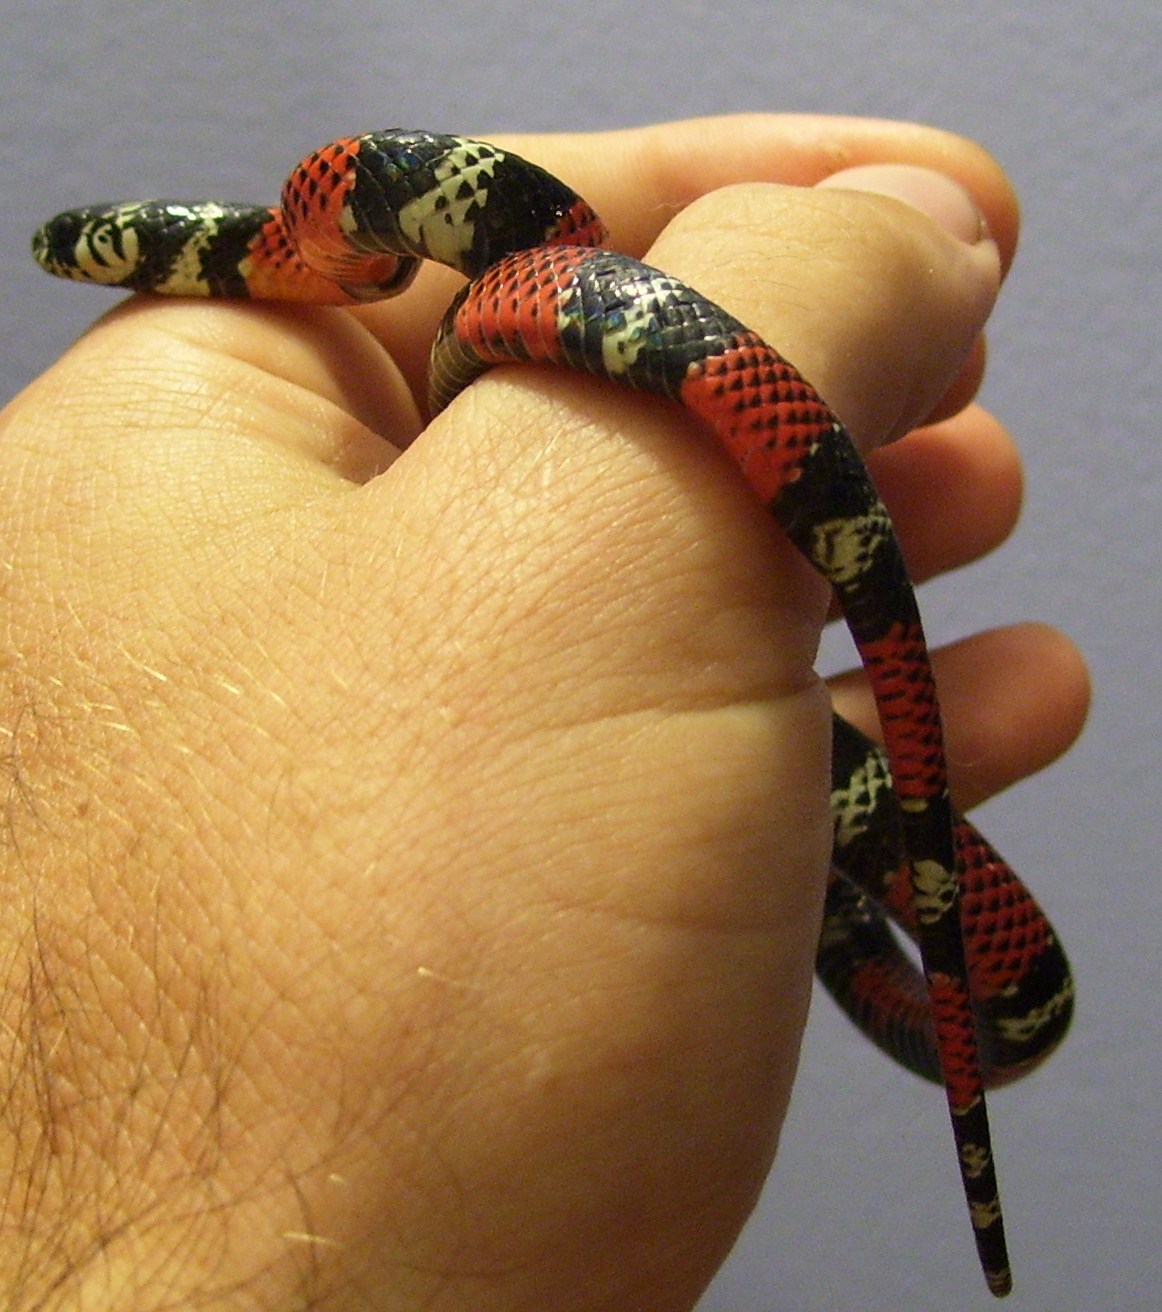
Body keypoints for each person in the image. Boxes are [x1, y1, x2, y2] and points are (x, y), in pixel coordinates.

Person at [0, 115, 1087, 1308]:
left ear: (152, 252)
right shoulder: (382, 270)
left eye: (84, 247)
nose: (68, 257)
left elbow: (541, 254)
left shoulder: (342, 240)